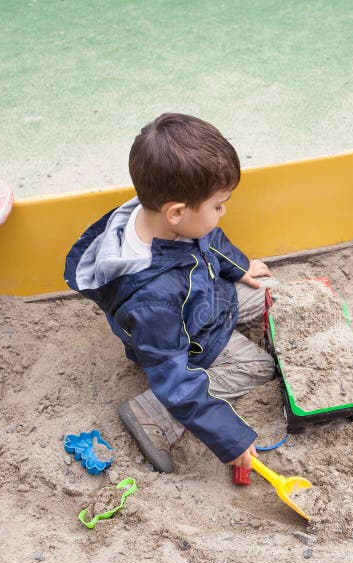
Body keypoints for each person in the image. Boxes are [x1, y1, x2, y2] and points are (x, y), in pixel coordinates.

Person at [64, 113, 276, 473]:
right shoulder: (152, 298)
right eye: (219, 205)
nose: (223, 212)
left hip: (206, 297)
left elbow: (210, 240)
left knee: (271, 291)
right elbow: (173, 375)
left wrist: (238, 267)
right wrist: (231, 437)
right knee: (259, 365)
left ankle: (242, 306)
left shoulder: (167, 215)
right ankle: (150, 413)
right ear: (176, 212)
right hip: (187, 338)